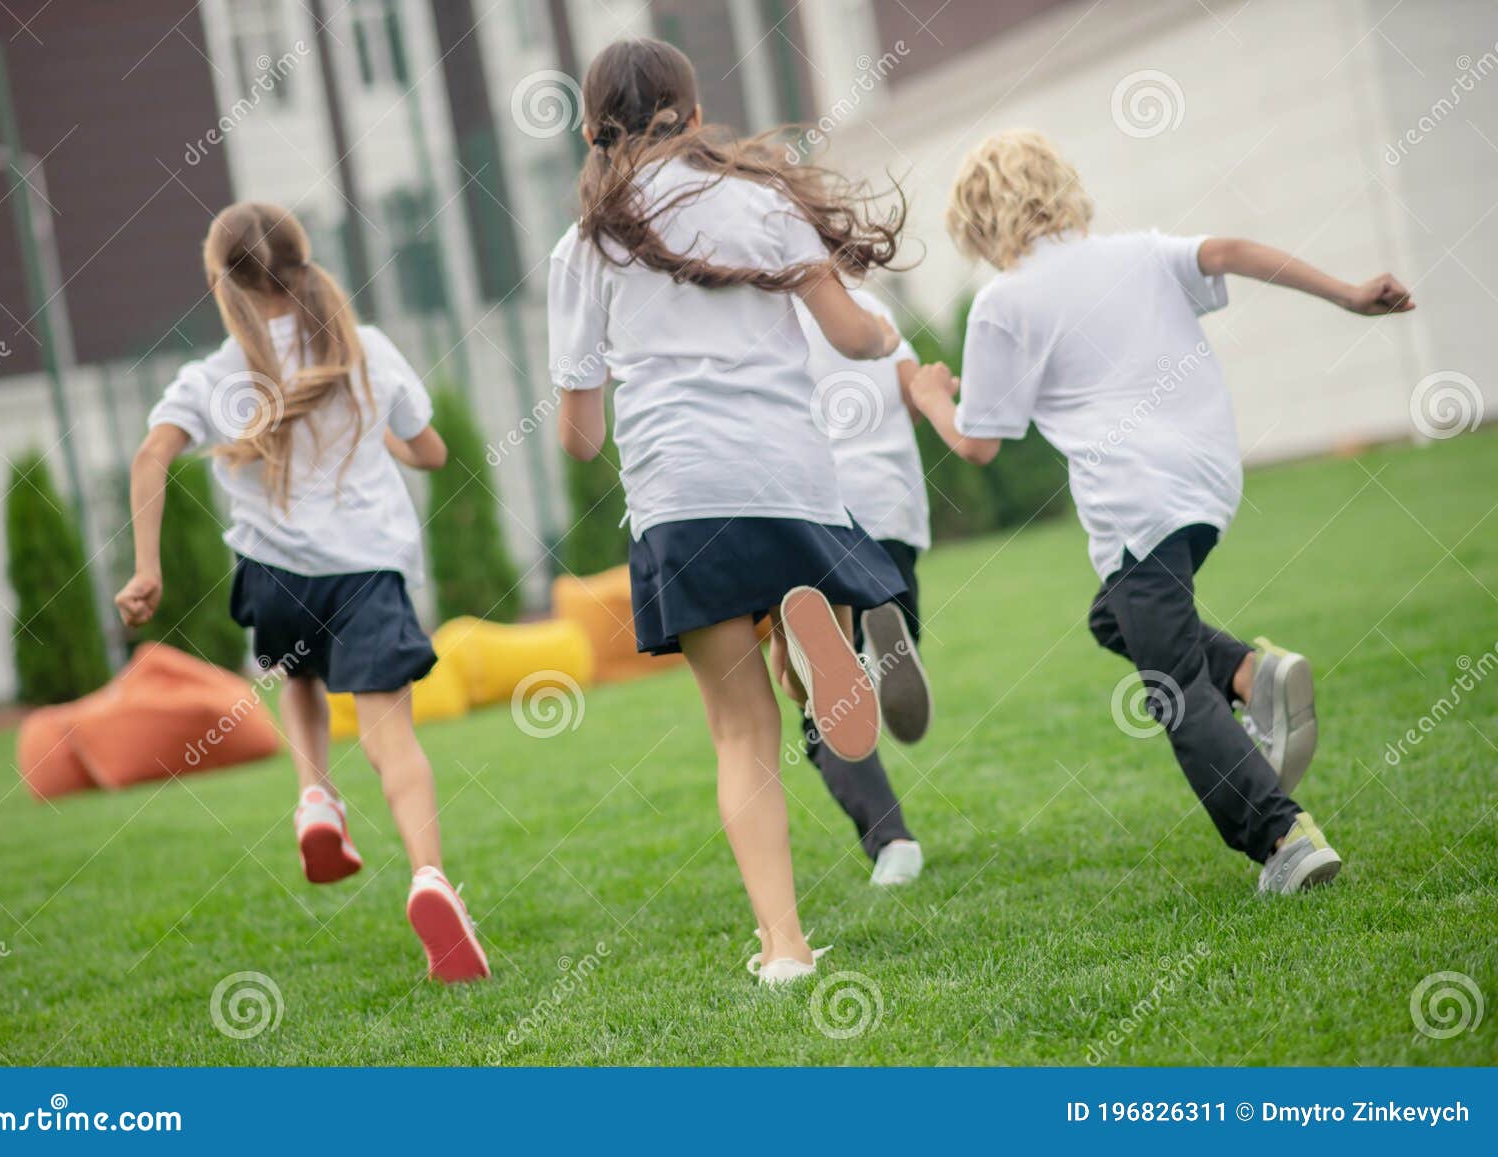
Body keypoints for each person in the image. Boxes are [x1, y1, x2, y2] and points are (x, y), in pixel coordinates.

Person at [907, 130, 1415, 893]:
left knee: (1172, 684)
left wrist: (929, 401)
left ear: (979, 222)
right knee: (1114, 617)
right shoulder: (1137, 252)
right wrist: (1346, 294)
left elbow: (978, 446)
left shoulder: (1003, 302)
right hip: (1207, 483)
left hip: (1138, 501)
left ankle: (1283, 838)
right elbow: (1232, 248)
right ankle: (1251, 670)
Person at [549, 38, 910, 984]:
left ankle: (785, 946)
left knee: (739, 732)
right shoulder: (765, 201)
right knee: (802, 603)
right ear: (696, 115)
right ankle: (827, 641)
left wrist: (583, 405)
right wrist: (882, 335)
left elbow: (581, 438)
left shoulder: (584, 243)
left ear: (592, 132)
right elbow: (849, 334)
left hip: (680, 493)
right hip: (786, 476)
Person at [116, 202, 490, 981]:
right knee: (394, 744)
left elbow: (152, 456)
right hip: (366, 571)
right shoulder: (365, 350)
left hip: (277, 577)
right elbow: (431, 451)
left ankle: (315, 797)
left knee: (298, 675)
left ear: (225, 284)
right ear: (303, 257)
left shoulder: (215, 375)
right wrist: (375, 429)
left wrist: (146, 568)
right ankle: (429, 876)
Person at [791, 287, 935, 886]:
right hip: (892, 506)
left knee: (817, 693)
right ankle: (880, 662)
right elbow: (915, 394)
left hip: (821, 509)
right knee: (890, 637)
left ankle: (891, 840)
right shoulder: (870, 302)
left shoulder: (767, 314)